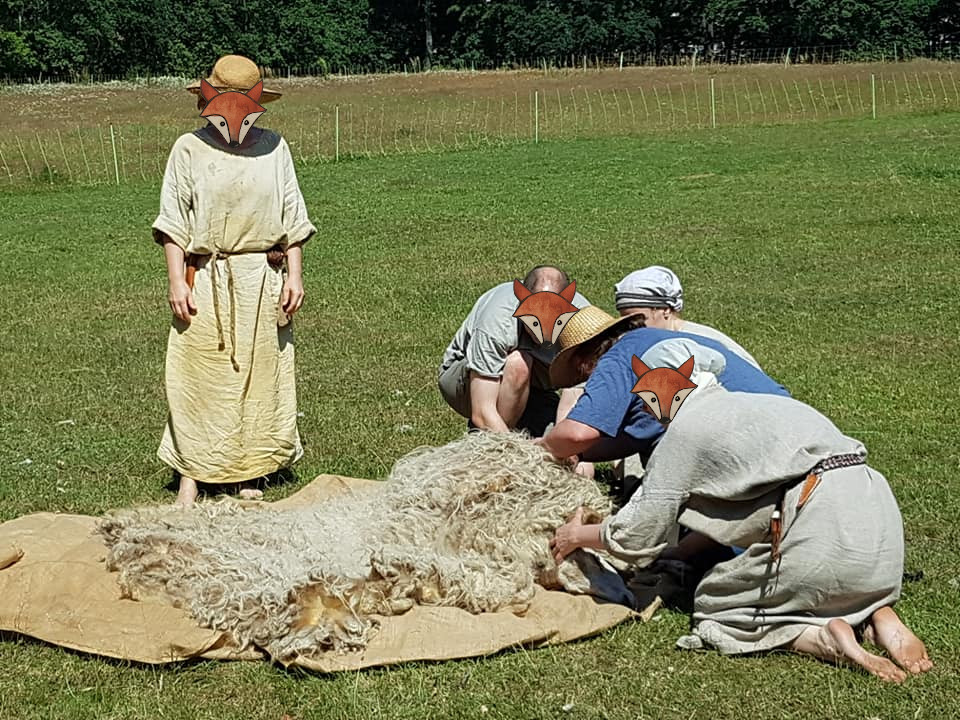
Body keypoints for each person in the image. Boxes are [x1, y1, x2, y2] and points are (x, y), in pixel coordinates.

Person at [548, 362, 933, 682]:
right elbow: (740, 510)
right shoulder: (753, 406)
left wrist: (576, 534)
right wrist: (680, 550)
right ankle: (877, 613)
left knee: (721, 604)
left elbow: (639, 530)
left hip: (822, 525)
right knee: (827, 576)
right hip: (878, 526)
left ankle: (822, 638)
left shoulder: (684, 433)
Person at [152, 55, 316, 507]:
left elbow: (293, 218)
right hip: (206, 276)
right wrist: (176, 282)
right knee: (198, 376)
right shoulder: (188, 149)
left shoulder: (274, 147)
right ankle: (191, 474)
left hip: (262, 276)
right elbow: (173, 222)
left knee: (261, 377)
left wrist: (295, 276)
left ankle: (252, 471)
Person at [538, 305, 788, 470]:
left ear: (583, 363)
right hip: (786, 422)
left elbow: (578, 434)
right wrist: (577, 454)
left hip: (743, 443)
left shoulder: (619, 355)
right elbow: (637, 436)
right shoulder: (657, 343)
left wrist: (542, 448)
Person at [438, 266, 591, 439]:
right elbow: (482, 411)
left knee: (569, 451)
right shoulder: (498, 322)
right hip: (470, 381)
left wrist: (567, 447)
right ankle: (490, 447)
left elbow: (576, 394)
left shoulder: (582, 321)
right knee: (519, 363)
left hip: (537, 386)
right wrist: (515, 455)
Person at [615, 265, 760, 368]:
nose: (630, 331)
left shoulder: (699, 342)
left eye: (639, 320)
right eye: (625, 322)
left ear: (665, 310)